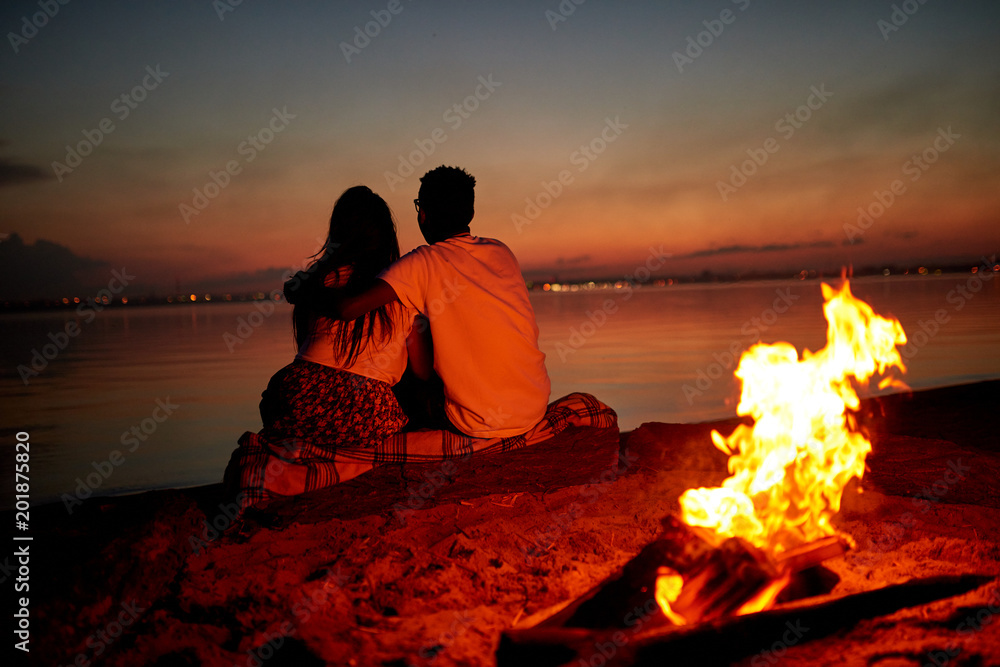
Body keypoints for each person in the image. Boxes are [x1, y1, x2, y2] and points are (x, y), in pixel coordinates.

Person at [288, 166, 550, 439]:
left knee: (413, 363)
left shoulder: (420, 263)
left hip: (478, 422)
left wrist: (300, 289)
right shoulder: (501, 251)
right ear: (471, 212)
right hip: (533, 407)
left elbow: (348, 308)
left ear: (422, 214)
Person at [261, 185, 431, 450]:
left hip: (300, 398)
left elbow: (305, 346)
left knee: (274, 396)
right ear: (387, 235)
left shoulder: (319, 281)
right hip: (368, 415)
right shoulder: (401, 288)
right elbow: (421, 370)